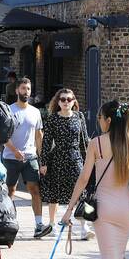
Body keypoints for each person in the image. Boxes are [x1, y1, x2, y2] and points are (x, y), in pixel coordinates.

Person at [62, 101, 129, 259]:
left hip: (102, 207)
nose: (98, 122)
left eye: (100, 118)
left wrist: (68, 210)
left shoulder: (96, 143)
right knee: (121, 256)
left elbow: (84, 179)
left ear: (108, 120)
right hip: (125, 207)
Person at [41, 88, 90, 241]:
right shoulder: (53, 119)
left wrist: (89, 159)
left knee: (82, 192)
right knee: (54, 193)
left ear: (74, 101)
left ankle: (84, 227)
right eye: (63, 99)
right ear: (58, 102)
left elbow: (84, 140)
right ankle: (52, 224)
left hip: (75, 158)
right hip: (57, 158)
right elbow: (47, 142)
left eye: (69, 99)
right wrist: (44, 163)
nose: (66, 102)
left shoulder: (79, 117)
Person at [2, 77, 47, 238]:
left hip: (30, 158)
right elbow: (3, 136)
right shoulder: (9, 110)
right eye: (23, 88)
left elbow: (39, 136)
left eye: (28, 89)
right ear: (16, 91)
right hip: (10, 157)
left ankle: (39, 225)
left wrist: (43, 160)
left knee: (35, 189)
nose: (26, 92)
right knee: (10, 190)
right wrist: (14, 151)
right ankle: (6, 223)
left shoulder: (35, 112)